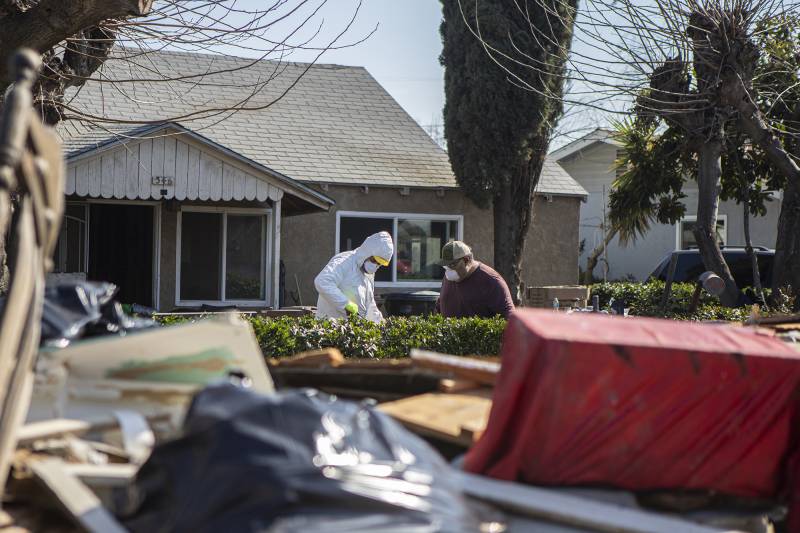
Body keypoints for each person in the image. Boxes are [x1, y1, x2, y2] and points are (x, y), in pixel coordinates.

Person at [314, 231, 394, 323]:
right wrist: (345, 304)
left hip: (351, 332)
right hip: (329, 329)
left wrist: (380, 324)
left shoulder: (368, 274)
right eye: (374, 260)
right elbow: (322, 281)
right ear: (367, 252)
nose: (375, 265)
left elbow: (369, 305)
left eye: (379, 264)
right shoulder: (344, 261)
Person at [435, 240, 514, 319]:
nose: (449, 270)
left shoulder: (490, 281)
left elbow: (508, 317)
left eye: (452, 264)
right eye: (446, 266)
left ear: (466, 260)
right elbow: (440, 306)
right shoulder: (448, 277)